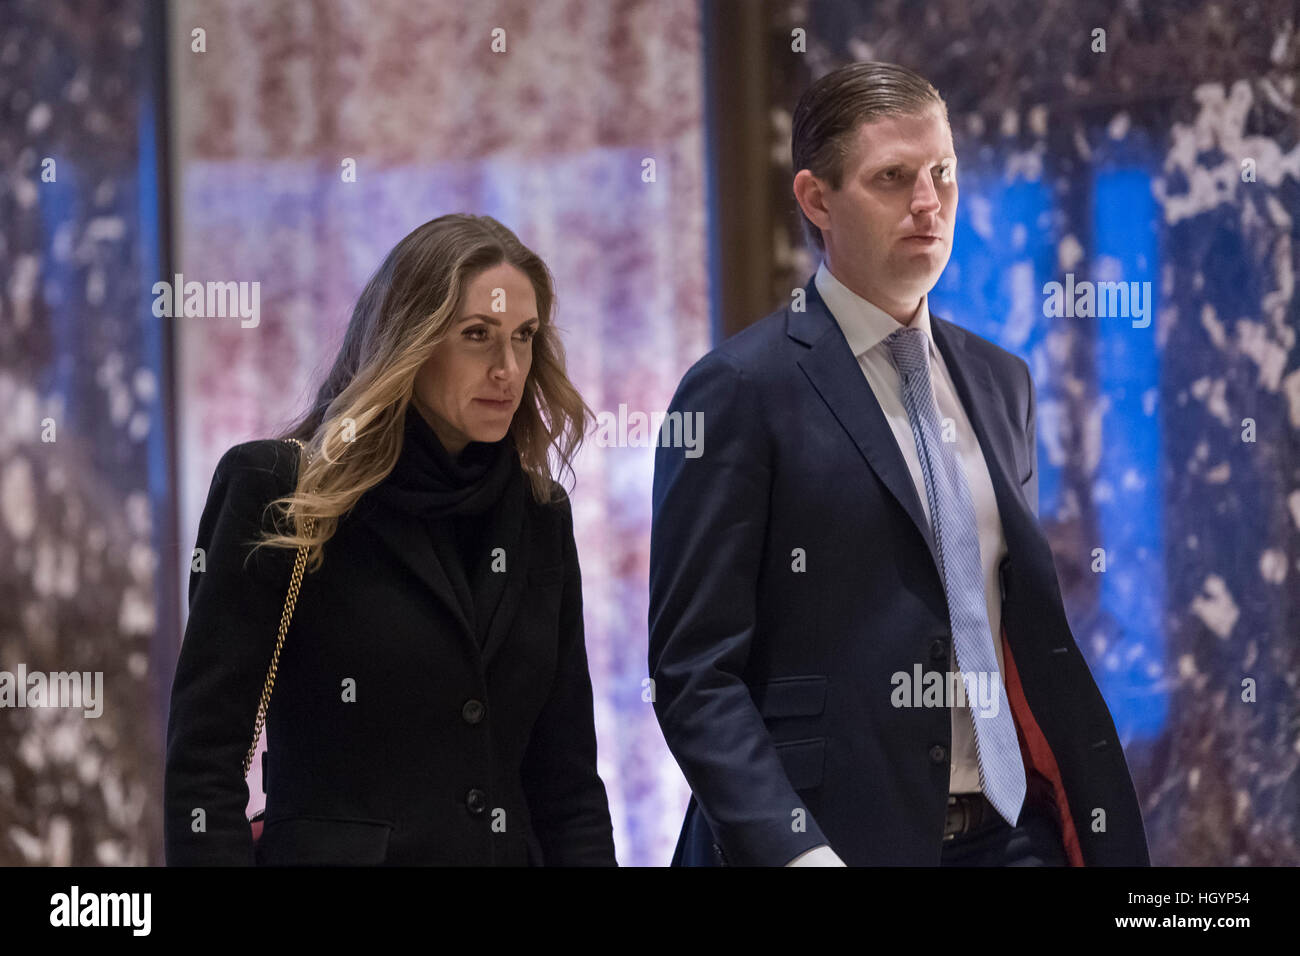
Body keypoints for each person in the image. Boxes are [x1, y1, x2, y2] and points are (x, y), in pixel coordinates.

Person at [648, 62, 1150, 866]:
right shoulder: (738, 389)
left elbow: (1006, 624)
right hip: (834, 842)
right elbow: (694, 674)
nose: (929, 203)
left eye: (942, 174)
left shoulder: (999, 381)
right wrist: (799, 855)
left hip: (1012, 835)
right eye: (892, 179)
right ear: (817, 200)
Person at [165, 214, 617, 866]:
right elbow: (204, 762)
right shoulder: (279, 489)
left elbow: (566, 783)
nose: (508, 368)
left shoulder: (541, 514)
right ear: (409, 341)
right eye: (477, 336)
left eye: (524, 337)